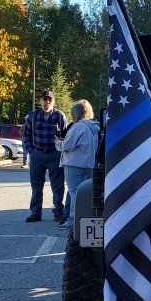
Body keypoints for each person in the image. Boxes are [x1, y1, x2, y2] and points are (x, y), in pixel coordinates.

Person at [22, 91, 68, 222]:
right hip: (37, 154)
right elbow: (26, 135)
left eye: (49, 100)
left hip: (55, 155)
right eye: (44, 99)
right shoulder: (33, 115)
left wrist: (60, 150)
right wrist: (31, 151)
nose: (47, 102)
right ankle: (36, 212)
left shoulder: (60, 116)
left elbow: (66, 136)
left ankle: (58, 212)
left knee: (58, 186)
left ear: (53, 102)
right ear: (40, 101)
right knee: (36, 186)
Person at [55, 99, 100, 231]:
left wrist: (58, 143)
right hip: (88, 164)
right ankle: (86, 218)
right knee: (87, 193)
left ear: (76, 113)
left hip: (74, 164)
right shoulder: (94, 127)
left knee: (75, 193)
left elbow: (68, 145)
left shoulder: (78, 126)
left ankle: (73, 220)